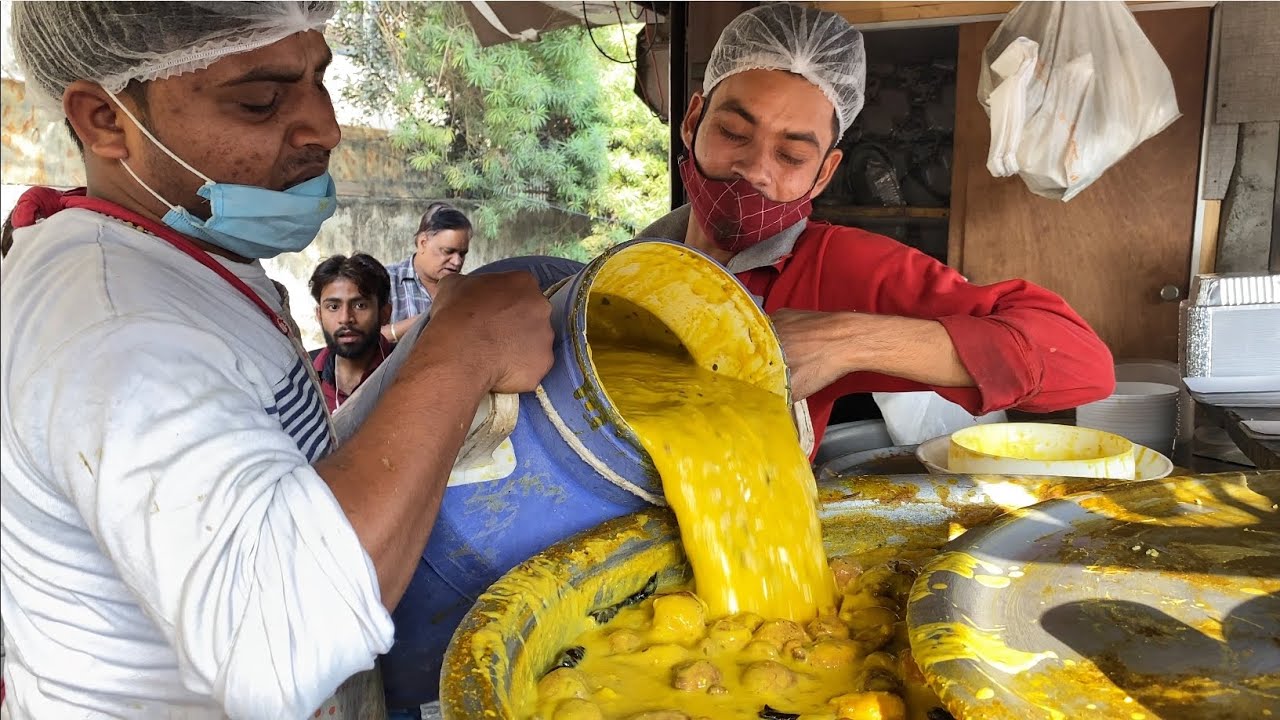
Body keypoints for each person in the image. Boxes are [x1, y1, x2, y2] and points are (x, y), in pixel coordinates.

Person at [0, 3, 553, 718]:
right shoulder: (120, 328)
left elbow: (285, 466)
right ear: (105, 121)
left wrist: (429, 346)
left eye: (319, 76)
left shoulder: (173, 256)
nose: (325, 127)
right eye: (260, 99)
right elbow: (277, 641)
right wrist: (460, 352)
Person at [640, 3, 1115, 445]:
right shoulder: (629, 270)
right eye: (733, 133)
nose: (757, 168)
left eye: (792, 155)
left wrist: (850, 341)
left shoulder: (842, 270)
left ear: (824, 173)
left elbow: (1082, 364)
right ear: (692, 121)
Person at [308, 253, 396, 412]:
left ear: (385, 313)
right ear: (319, 315)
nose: (345, 318)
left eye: (360, 305)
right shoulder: (302, 374)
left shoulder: (408, 367)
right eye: (333, 307)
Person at [383, 203, 472, 343]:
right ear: (423, 242)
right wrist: (431, 316)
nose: (457, 261)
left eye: (462, 254)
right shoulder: (386, 281)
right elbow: (367, 340)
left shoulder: (467, 291)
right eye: (448, 251)